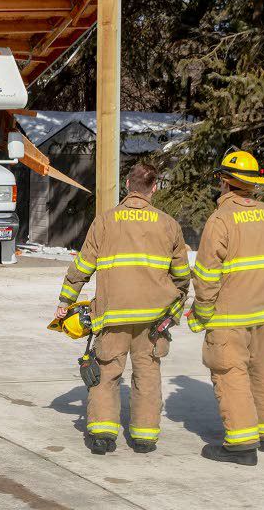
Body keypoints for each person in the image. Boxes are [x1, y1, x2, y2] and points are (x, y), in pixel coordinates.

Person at [54, 163, 190, 455]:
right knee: (148, 373)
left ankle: (103, 435)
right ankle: (144, 437)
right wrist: (173, 312)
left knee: (107, 372)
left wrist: (65, 301)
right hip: (153, 321)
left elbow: (83, 265)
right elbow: (182, 277)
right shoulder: (169, 225)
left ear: (128, 184)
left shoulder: (105, 221)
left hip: (113, 315)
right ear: (155, 188)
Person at [189, 150, 264, 465]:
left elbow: (206, 276)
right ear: (253, 183)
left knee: (231, 374)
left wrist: (202, 313)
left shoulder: (220, 220)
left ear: (224, 182)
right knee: (262, 370)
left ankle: (241, 446)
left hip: (230, 318)